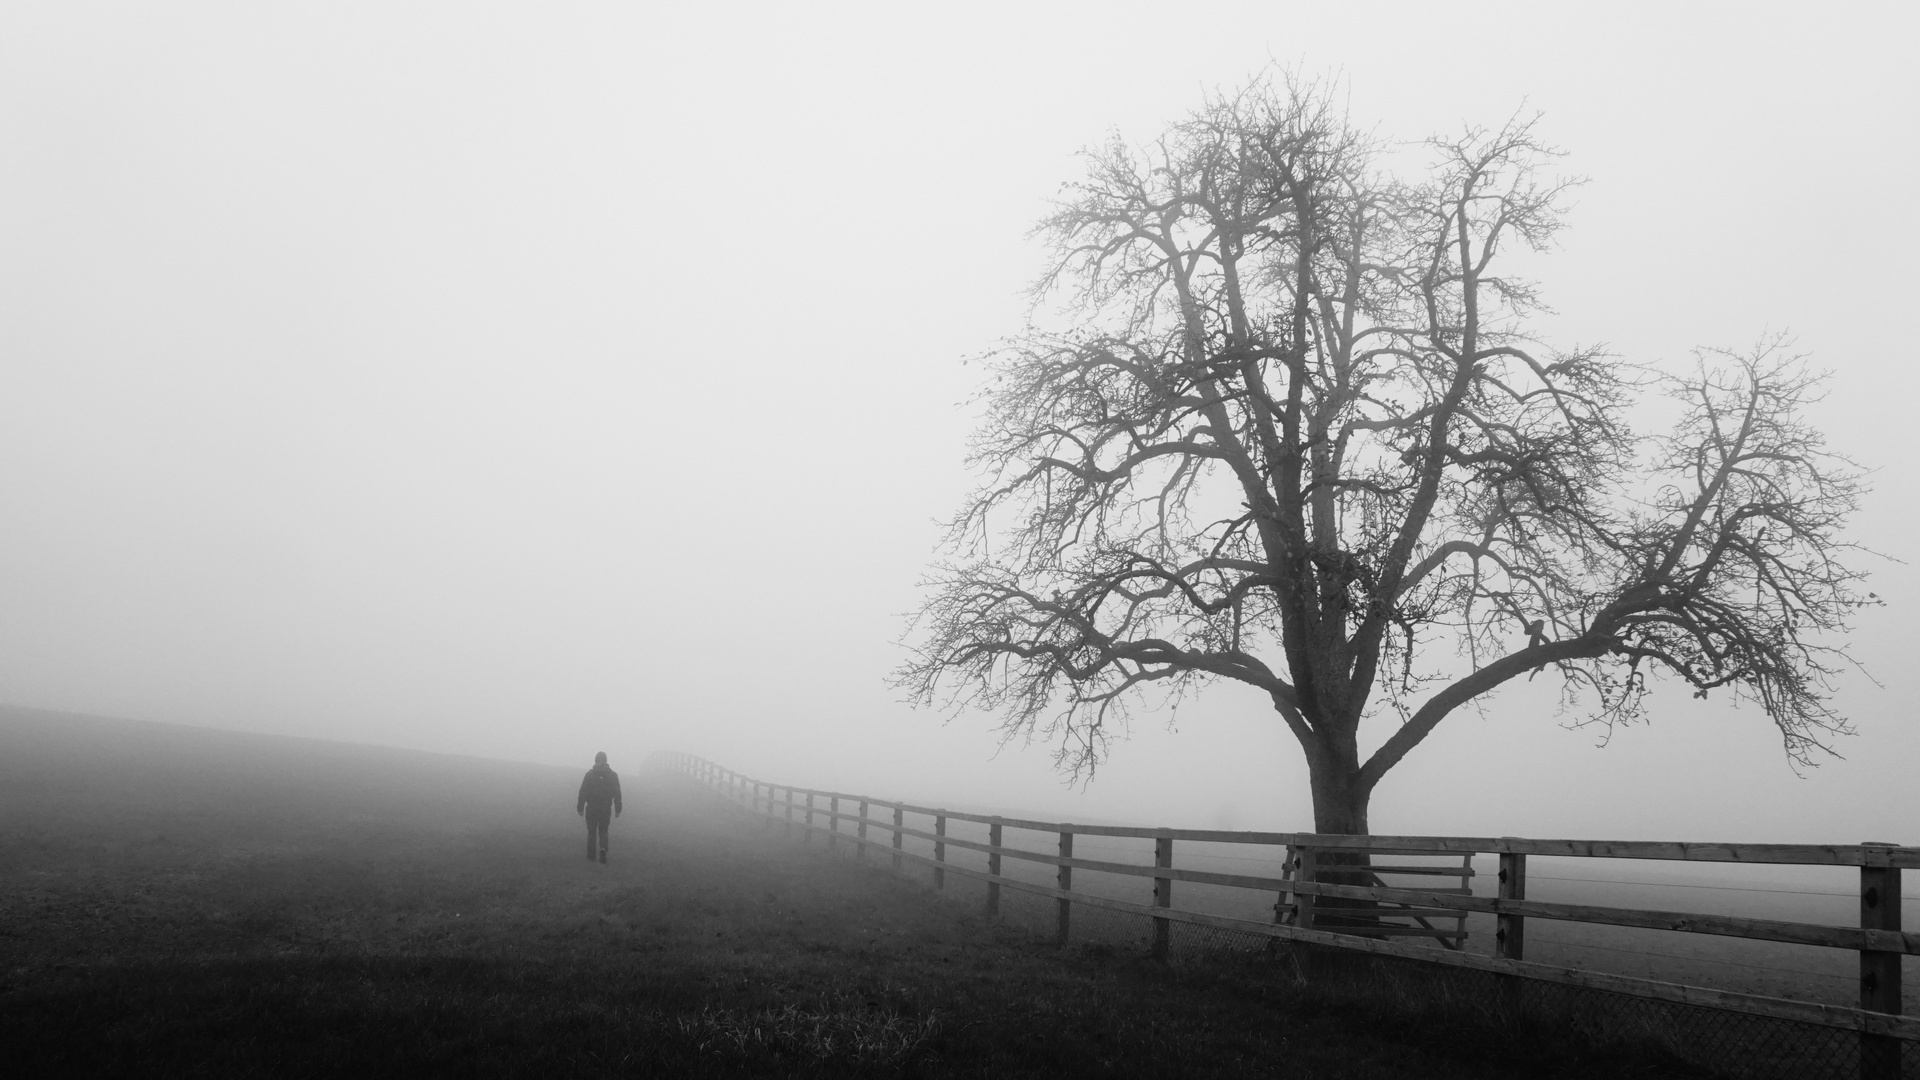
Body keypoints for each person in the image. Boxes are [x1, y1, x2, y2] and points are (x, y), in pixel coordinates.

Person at [576, 751, 622, 863]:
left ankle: (591, 856)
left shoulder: (589, 775)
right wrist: (618, 809)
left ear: (595, 761)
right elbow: (617, 793)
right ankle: (602, 849)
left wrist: (580, 807)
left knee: (592, 831)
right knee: (603, 830)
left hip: (592, 807)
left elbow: (583, 791)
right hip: (605, 808)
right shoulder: (613, 775)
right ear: (606, 761)